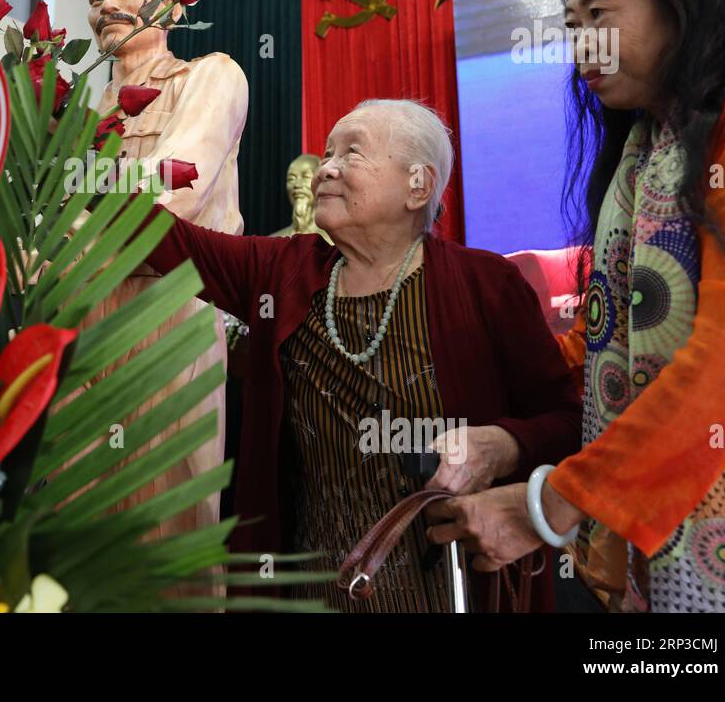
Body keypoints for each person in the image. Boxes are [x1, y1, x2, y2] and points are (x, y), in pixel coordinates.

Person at [428, 0, 725, 613]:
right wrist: (503, 430)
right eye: (572, 25)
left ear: (682, 3)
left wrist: (547, 506)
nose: (582, 44)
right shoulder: (644, 154)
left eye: (598, 15)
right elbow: (602, 340)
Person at [138, 98, 581, 611]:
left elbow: (568, 422)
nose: (324, 167)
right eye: (327, 153)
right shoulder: (282, 272)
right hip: (312, 595)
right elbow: (164, 240)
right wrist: (71, 161)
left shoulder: (487, 286)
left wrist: (501, 445)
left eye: (352, 153)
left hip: (448, 590)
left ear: (418, 185)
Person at [71, 0, 248, 541]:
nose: (107, 5)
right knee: (79, 519)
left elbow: (175, 184)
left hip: (167, 317)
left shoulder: (210, 77)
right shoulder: (79, 118)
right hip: (80, 321)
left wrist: (57, 248)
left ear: (172, 9)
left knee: (166, 518)